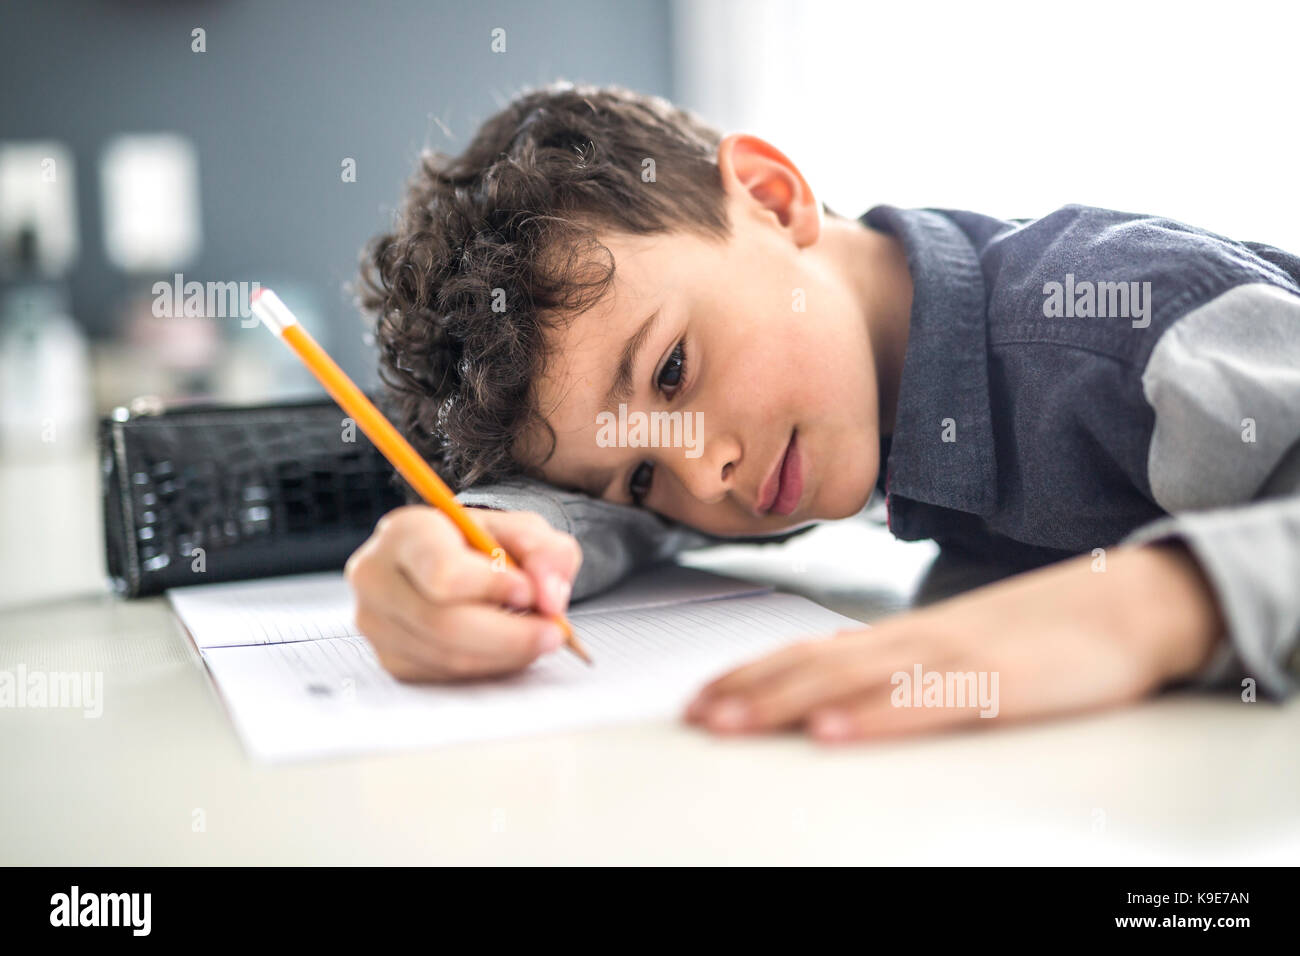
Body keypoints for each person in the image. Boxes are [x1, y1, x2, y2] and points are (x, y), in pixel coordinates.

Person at [343, 83, 1299, 742]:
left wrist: (1156, 609)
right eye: (640, 475)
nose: (701, 475)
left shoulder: (1116, 323)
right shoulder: (834, 408)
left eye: (671, 371)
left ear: (768, 196)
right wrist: (491, 543)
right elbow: (621, 525)